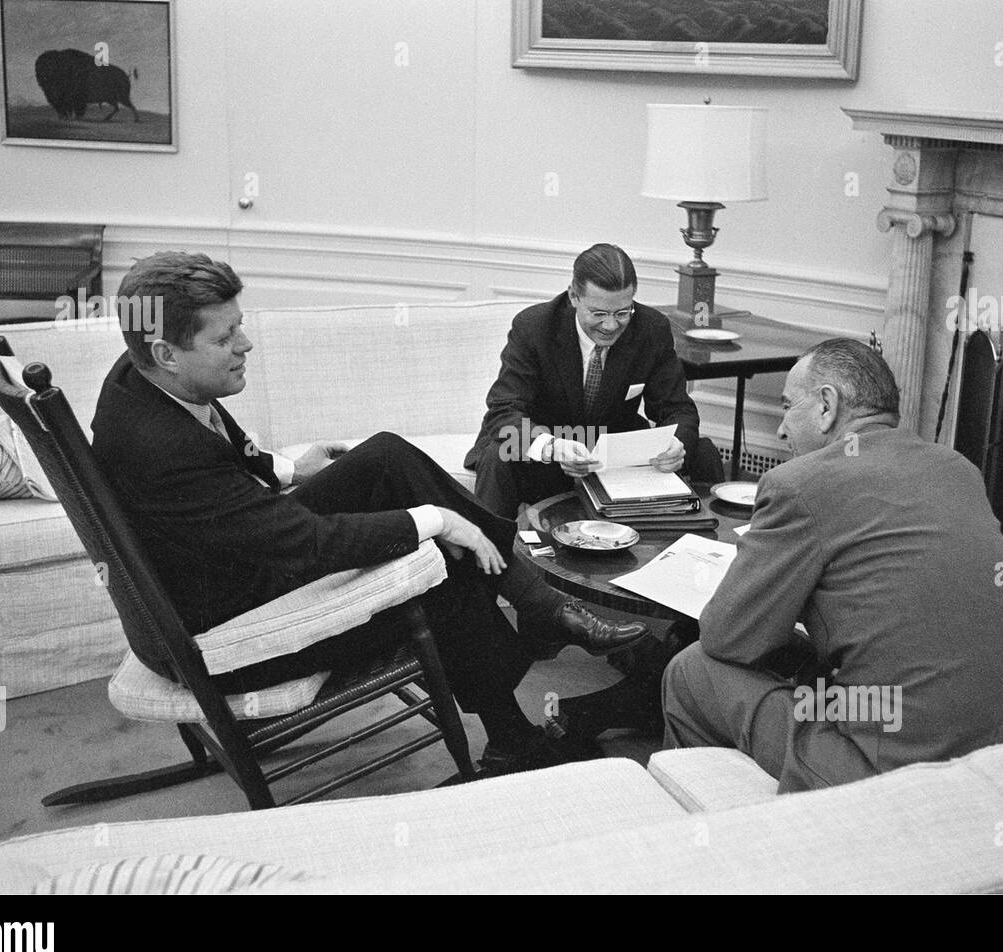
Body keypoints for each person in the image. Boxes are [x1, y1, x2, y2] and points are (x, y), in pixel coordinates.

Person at [91, 252, 649, 776]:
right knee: (437, 570)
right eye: (226, 336)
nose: (246, 343)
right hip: (220, 627)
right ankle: (514, 729)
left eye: (239, 325)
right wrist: (436, 519)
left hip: (226, 559)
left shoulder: (141, 372)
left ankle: (537, 609)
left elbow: (224, 466)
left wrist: (284, 471)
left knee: (385, 456)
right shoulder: (162, 449)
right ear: (167, 353)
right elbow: (306, 542)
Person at [661, 338, 1003, 793]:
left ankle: (707, 826)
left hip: (910, 774)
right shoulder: (957, 467)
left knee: (693, 669)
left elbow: (728, 638)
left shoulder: (798, 485)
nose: (783, 430)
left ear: (827, 405)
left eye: (789, 407)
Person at [465, 243, 702, 518]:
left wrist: (675, 443)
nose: (611, 325)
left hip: (608, 448)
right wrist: (553, 447)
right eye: (598, 314)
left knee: (702, 453)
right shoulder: (534, 328)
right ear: (573, 296)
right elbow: (503, 410)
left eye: (623, 312)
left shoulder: (652, 329)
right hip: (546, 447)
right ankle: (489, 556)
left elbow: (677, 409)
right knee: (501, 453)